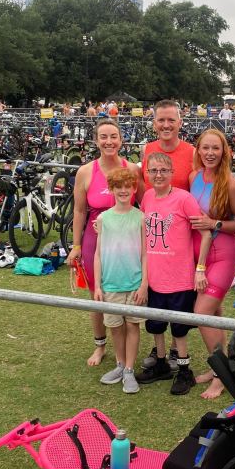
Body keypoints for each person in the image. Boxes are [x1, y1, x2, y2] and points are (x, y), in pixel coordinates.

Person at [68, 118, 144, 366]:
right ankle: (100, 345)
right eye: (104, 137)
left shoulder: (132, 170)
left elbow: (145, 203)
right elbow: (79, 211)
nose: (109, 141)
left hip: (129, 243)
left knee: (129, 289)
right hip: (95, 241)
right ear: (96, 140)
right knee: (97, 294)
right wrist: (76, 245)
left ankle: (127, 348)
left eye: (114, 136)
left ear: (121, 140)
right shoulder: (85, 172)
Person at [136, 153, 212, 396]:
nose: (158, 175)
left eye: (163, 170)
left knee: (179, 329)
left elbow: (206, 233)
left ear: (171, 173)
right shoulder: (147, 197)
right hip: (155, 278)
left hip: (179, 278)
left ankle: (184, 370)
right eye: (153, 170)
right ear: (147, 173)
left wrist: (200, 269)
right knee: (156, 324)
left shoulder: (184, 199)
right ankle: (160, 364)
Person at [188, 129, 235, 399]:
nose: (210, 153)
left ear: (225, 151)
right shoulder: (193, 178)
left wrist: (215, 224)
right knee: (213, 314)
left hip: (223, 254)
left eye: (216, 148)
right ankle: (217, 368)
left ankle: (223, 377)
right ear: (198, 150)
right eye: (205, 148)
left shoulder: (232, 183)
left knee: (201, 312)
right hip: (199, 255)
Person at [94, 167, 148, 395]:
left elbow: (146, 254)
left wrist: (144, 283)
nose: (124, 191)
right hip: (110, 284)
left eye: (128, 187)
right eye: (119, 187)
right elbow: (98, 254)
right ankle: (119, 363)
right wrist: (97, 285)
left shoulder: (141, 217)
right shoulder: (103, 218)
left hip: (134, 284)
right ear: (112, 189)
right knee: (115, 328)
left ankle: (129, 369)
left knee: (132, 325)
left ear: (134, 189)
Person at [142, 100, 195, 191]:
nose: (166, 125)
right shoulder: (146, 149)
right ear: (154, 124)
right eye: (161, 120)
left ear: (180, 123)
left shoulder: (193, 153)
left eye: (171, 120)